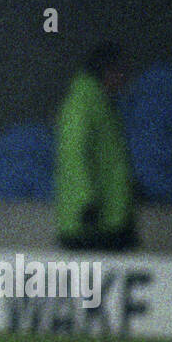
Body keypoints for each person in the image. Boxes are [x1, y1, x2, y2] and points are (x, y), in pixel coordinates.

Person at [54, 42, 136, 251]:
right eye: (122, 71)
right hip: (89, 223)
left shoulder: (103, 104)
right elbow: (72, 154)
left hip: (109, 220)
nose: (126, 77)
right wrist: (86, 201)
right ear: (108, 71)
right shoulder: (81, 103)